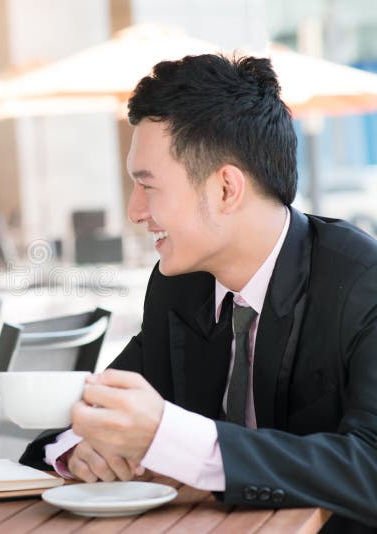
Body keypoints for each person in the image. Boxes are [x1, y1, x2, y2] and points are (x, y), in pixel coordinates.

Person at [20, 54, 377, 533]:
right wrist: (80, 451)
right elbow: (93, 414)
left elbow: (369, 468)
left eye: (147, 186)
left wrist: (176, 439)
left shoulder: (362, 284)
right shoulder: (179, 286)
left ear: (226, 188)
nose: (134, 212)